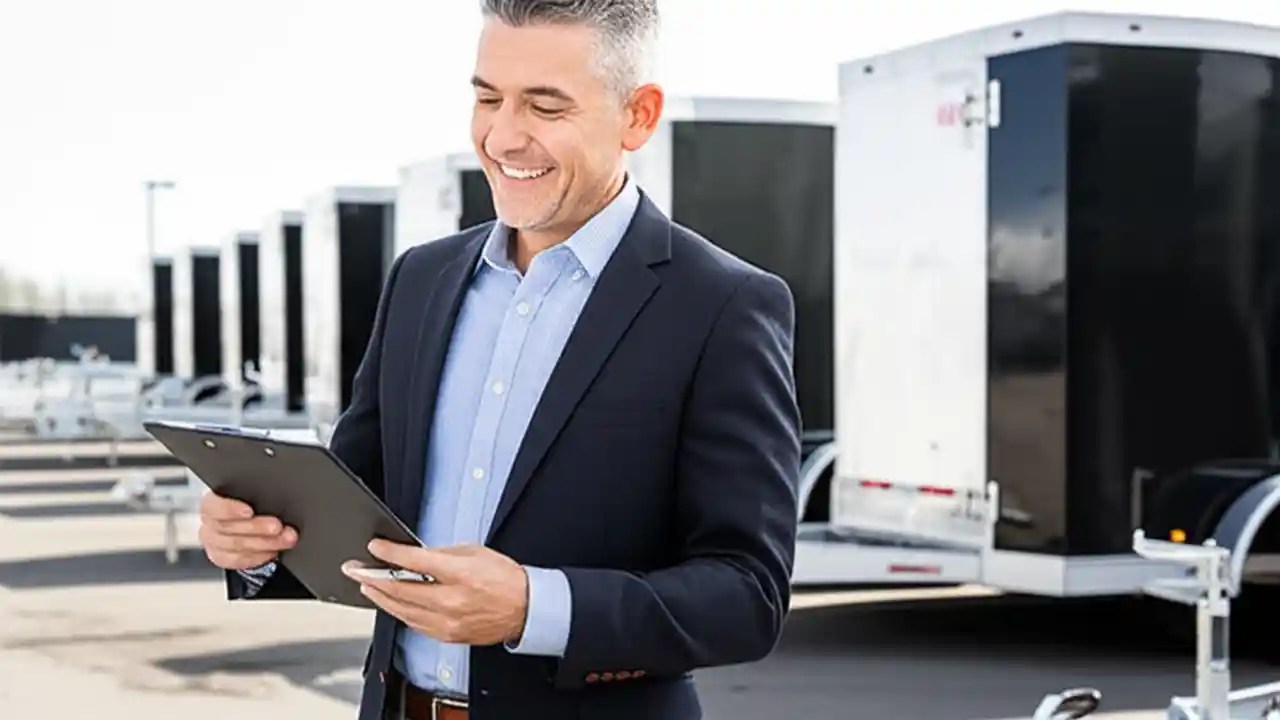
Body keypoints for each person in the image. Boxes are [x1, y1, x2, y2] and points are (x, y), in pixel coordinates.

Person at [196, 1, 801, 718]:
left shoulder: (722, 306)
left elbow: (746, 595)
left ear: (637, 116)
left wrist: (533, 608)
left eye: (545, 106)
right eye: (488, 99)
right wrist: (260, 542)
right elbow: (358, 504)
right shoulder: (421, 279)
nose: (503, 136)